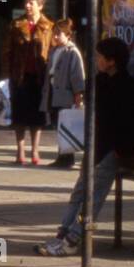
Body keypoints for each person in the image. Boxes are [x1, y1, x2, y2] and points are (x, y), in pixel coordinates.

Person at [37, 36, 134, 257]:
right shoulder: (101, 81)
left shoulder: (128, 87)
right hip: (96, 146)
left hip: (113, 149)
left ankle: (73, 239)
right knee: (79, 193)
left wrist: (132, 146)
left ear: (112, 61)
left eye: (99, 57)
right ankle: (63, 233)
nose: (96, 60)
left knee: (92, 196)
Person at [3, 0, 53, 165]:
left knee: (37, 116)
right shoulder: (16, 25)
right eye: (26, 2)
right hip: (20, 76)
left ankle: (35, 151)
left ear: (40, 5)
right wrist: (8, 74)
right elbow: (7, 51)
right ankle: (20, 152)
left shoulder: (48, 27)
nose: (27, 6)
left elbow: (51, 51)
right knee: (20, 115)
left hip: (39, 77)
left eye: (31, 3)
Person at [40, 18, 86, 168]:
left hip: (65, 95)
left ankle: (67, 157)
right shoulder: (54, 50)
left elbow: (77, 76)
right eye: (54, 34)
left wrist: (78, 95)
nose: (55, 37)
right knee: (57, 124)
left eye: (59, 34)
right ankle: (62, 155)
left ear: (68, 36)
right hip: (53, 92)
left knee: (66, 124)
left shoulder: (72, 52)